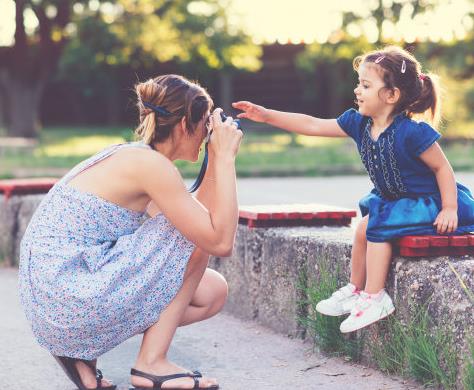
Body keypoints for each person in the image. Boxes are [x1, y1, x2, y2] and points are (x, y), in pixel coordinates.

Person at [19, 74, 243, 389]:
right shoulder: (150, 166)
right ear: (183, 125)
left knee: (211, 293)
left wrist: (215, 156)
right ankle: (151, 364)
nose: (208, 133)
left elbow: (198, 221)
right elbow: (217, 240)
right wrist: (227, 160)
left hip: (55, 300)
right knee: (193, 243)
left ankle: (79, 353)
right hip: (67, 293)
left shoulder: (137, 158)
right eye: (206, 124)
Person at [233, 45, 474, 333]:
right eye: (358, 83)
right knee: (363, 228)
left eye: (366, 85)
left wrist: (448, 208)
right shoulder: (359, 123)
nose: (357, 90)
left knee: (378, 226)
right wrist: (267, 115)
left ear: (391, 95)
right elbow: (313, 124)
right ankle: (356, 290)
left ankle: (376, 297)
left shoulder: (413, 132)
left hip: (431, 202)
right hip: (397, 202)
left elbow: (442, 169)